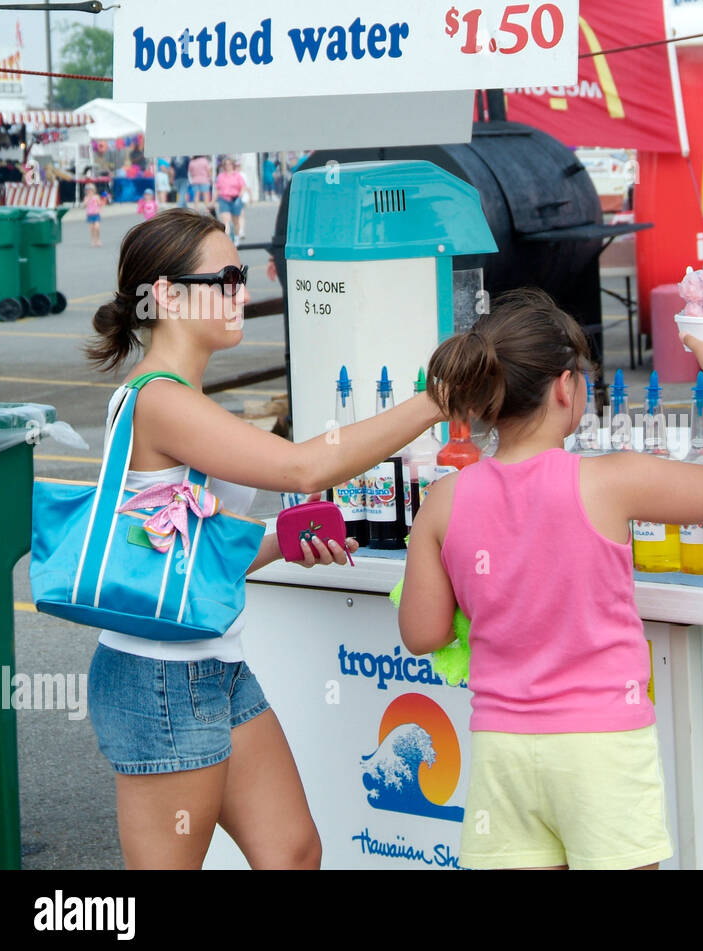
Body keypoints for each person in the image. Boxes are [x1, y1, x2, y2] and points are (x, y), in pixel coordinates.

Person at [82, 207, 445, 869]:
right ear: (164, 295)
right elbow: (303, 465)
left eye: (243, 276)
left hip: (213, 665)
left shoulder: (185, 400)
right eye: (224, 278)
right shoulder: (160, 400)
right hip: (159, 678)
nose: (242, 294)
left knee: (293, 852)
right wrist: (435, 400)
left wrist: (287, 539)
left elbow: (195, 553)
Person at [397, 290, 703, 870]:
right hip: (601, 746)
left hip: (503, 752)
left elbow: (421, 633)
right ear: (566, 387)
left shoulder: (442, 501)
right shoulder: (609, 481)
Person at [214, 156, 247, 241]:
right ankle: (227, 239)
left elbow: (243, 186)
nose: (228, 166)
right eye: (226, 164)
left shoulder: (237, 175)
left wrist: (240, 196)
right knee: (226, 220)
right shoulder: (221, 176)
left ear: (233, 165)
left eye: (229, 164)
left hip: (235, 198)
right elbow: (217, 189)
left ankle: (236, 238)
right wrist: (213, 201)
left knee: (236, 221)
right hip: (224, 199)